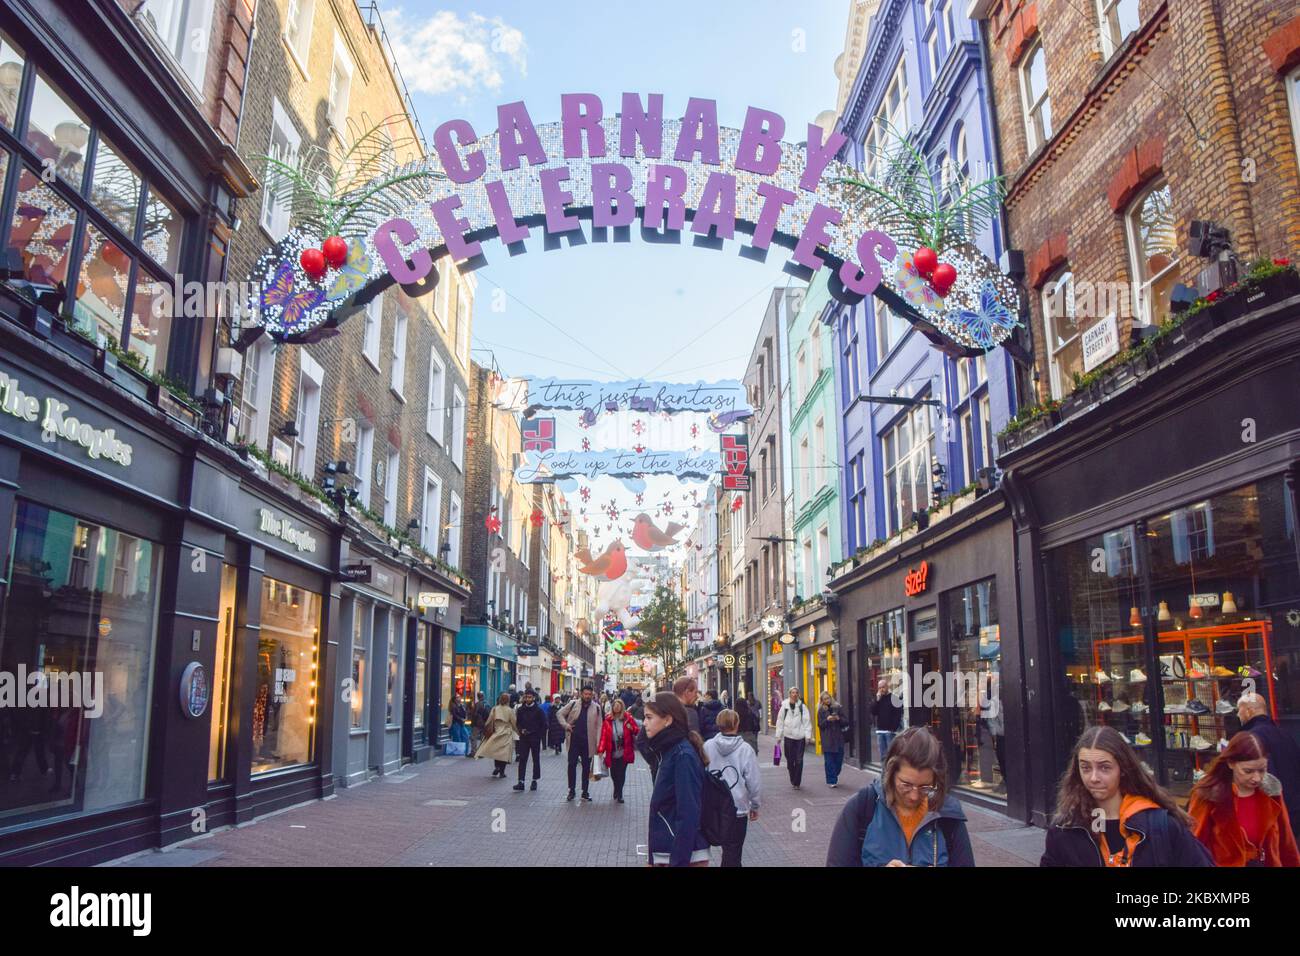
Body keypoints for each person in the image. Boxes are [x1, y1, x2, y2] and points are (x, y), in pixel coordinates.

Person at [1041, 726, 1213, 867]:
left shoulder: (1160, 825)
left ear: (1122, 768)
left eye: (1104, 768)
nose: (1093, 777)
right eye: (1085, 768)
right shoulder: (1065, 828)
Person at [825, 727, 975, 867]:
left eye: (925, 787)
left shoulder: (948, 815)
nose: (915, 796)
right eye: (906, 784)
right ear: (891, 773)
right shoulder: (862, 807)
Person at [1188, 731, 1300, 867]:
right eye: (1248, 771)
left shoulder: (1272, 791)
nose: (1257, 778)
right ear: (1230, 763)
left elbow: (1286, 843)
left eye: (1262, 770)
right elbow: (1194, 846)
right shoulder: (1208, 795)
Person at [644, 692, 711, 867]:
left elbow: (688, 813)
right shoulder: (669, 751)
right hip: (670, 851)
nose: (644, 723)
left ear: (667, 720)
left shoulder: (682, 755)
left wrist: (678, 861)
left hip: (683, 855)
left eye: (649, 717)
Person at [1237, 692, 1300, 841]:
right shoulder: (1285, 734)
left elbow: (1261, 779)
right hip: (1295, 807)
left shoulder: (1252, 738)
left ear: (1248, 711)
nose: (1238, 715)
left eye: (1238, 710)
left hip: (1275, 811)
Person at [702, 709, 760, 867]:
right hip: (737, 807)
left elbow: (703, 774)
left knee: (724, 850)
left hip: (714, 807)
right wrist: (754, 805)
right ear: (737, 724)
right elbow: (753, 781)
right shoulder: (746, 750)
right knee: (733, 851)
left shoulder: (708, 746)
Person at [558, 685, 603, 801]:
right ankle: (571, 790)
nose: (587, 696)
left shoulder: (597, 708)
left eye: (589, 694)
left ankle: (585, 791)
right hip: (574, 740)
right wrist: (566, 725)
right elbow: (559, 714)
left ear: (592, 695)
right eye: (585, 694)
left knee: (586, 767)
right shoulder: (573, 703)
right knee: (571, 765)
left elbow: (599, 726)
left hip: (588, 742)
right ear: (581, 694)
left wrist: (598, 742)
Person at [597, 698, 639, 803]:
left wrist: (631, 728)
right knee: (614, 774)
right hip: (612, 750)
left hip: (624, 750)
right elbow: (603, 736)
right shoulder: (608, 719)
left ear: (622, 707)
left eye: (619, 706)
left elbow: (636, 730)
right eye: (615, 705)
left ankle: (620, 793)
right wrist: (601, 750)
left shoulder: (627, 718)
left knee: (621, 773)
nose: (616, 707)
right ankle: (616, 787)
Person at [775, 687, 814, 789]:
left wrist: (808, 736)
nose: (795, 694)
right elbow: (780, 721)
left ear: (798, 694)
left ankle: (797, 782)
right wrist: (778, 736)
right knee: (789, 760)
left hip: (800, 737)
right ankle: (793, 777)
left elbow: (807, 722)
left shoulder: (802, 707)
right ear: (789, 694)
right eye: (793, 692)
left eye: (796, 692)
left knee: (799, 760)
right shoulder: (785, 707)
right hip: (788, 737)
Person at [475, 693, 518, 778]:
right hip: (506, 732)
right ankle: (502, 772)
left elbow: (489, 720)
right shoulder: (510, 710)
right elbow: (514, 723)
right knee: (504, 753)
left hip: (497, 731)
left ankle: (497, 767)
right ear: (508, 700)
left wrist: (486, 729)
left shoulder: (495, 709)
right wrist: (518, 732)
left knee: (496, 751)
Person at [513, 689, 547, 791]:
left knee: (535, 759)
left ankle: (534, 780)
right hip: (524, 738)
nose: (528, 699)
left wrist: (538, 735)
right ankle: (521, 781)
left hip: (535, 738)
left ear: (534, 698)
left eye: (530, 697)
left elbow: (544, 725)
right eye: (526, 697)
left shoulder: (539, 710)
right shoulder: (521, 710)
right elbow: (517, 723)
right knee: (522, 759)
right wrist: (520, 730)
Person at [817, 692, 849, 787]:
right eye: (825, 699)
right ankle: (832, 780)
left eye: (828, 698)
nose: (827, 700)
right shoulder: (821, 711)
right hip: (827, 739)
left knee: (839, 761)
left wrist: (838, 718)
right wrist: (827, 719)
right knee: (829, 761)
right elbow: (820, 725)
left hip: (838, 738)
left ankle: (834, 774)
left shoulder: (838, 708)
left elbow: (846, 721)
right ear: (822, 701)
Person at [870, 679, 903, 763]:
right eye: (879, 688)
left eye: (883, 687)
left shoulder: (894, 698)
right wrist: (877, 700)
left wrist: (893, 728)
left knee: (891, 755)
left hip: (890, 731)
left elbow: (898, 715)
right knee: (883, 756)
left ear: (887, 687)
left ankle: (890, 774)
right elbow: (873, 712)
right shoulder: (878, 699)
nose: (881, 689)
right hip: (880, 731)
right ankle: (884, 775)